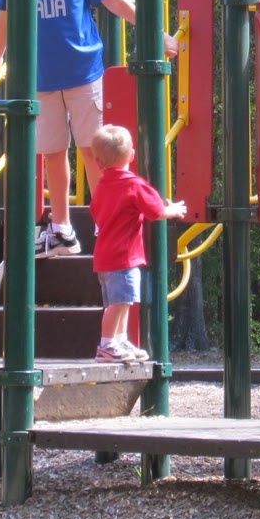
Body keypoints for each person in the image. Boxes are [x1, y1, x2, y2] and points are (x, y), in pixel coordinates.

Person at [0, 0, 178, 257]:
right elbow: (6, 11)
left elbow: (114, 1)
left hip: (84, 74)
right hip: (40, 78)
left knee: (93, 150)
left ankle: (105, 223)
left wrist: (157, 33)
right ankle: (61, 230)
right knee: (53, 153)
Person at [87, 124, 187, 362]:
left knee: (122, 301)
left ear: (99, 163)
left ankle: (119, 341)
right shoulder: (133, 184)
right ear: (131, 156)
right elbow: (155, 211)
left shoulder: (102, 187)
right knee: (119, 303)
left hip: (105, 256)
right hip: (123, 256)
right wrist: (172, 209)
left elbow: (95, 210)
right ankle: (107, 345)